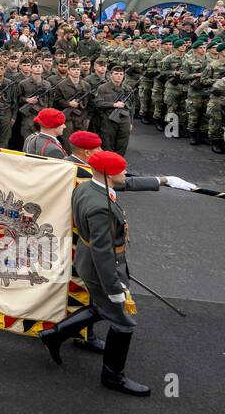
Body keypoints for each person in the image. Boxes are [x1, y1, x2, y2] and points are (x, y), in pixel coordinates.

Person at [39, 151, 150, 397]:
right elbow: (103, 251)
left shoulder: (89, 186)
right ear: (110, 175)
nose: (126, 173)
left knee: (102, 307)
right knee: (123, 323)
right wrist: (114, 288)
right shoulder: (101, 207)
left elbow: (128, 183)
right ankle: (112, 375)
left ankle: (54, 335)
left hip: (87, 259)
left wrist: (164, 181)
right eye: (122, 169)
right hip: (101, 266)